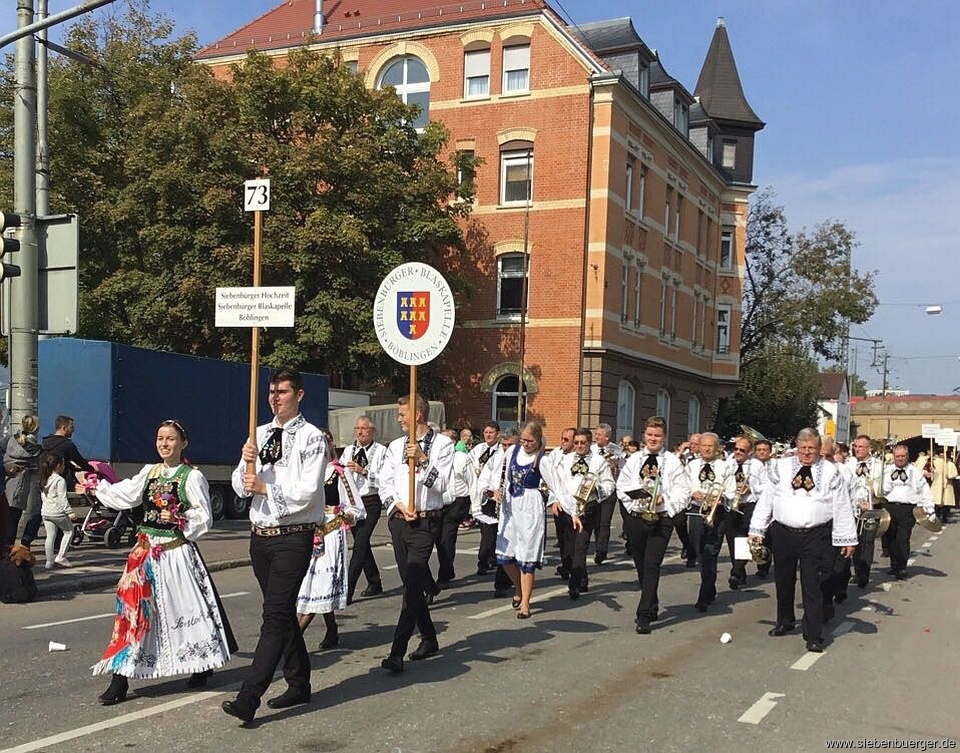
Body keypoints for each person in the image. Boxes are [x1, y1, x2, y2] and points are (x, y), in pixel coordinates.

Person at [92, 419, 233, 705]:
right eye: (160, 438)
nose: (164, 443)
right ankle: (119, 678)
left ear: (183, 443)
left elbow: (204, 517)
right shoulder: (149, 472)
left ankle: (201, 663)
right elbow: (126, 494)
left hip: (176, 554)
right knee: (133, 614)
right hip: (144, 555)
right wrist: (98, 487)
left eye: (170, 439)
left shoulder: (191, 477)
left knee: (186, 612)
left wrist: (181, 520)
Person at [223, 368, 328, 723]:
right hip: (261, 536)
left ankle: (249, 695)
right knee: (281, 614)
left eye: (282, 391)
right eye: (271, 391)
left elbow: (308, 490)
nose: (275, 397)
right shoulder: (261, 433)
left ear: (299, 395)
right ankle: (299, 682)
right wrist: (245, 459)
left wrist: (266, 489)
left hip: (293, 535)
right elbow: (240, 485)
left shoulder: (311, 438)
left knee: (275, 616)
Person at [749, 428, 857, 653]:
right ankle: (785, 620)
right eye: (803, 448)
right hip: (783, 532)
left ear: (819, 449)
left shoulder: (831, 471)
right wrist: (757, 528)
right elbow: (768, 499)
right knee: (784, 579)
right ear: (797, 447)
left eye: (812, 448)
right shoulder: (780, 467)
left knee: (811, 584)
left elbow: (842, 505)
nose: (807, 453)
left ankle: (813, 634)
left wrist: (847, 538)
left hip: (815, 535)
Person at [378, 394, 454, 675]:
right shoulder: (395, 446)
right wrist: (398, 505)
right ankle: (430, 637)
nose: (399, 419)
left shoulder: (443, 445)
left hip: (426, 522)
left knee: (410, 587)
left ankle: (396, 652)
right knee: (412, 583)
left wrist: (422, 461)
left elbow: (444, 485)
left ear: (418, 415)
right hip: (400, 520)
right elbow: (384, 483)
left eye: (402, 414)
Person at [616, 416, 690, 634]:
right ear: (644, 435)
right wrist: (633, 505)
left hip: (661, 518)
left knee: (652, 565)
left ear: (664, 437)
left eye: (657, 435)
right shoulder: (635, 459)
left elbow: (683, 491)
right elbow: (622, 486)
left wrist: (663, 499)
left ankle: (644, 615)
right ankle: (652, 602)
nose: (653, 439)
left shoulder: (673, 461)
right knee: (640, 565)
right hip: (637, 517)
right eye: (649, 435)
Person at [296, 430, 365, 650]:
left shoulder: (339, 472)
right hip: (310, 532)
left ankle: (294, 638)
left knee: (320, 585)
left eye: (323, 442)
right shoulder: (306, 473)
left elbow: (356, 507)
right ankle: (332, 629)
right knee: (311, 585)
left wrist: (342, 516)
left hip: (331, 534)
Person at [485, 421, 552, 618]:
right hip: (510, 505)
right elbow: (500, 474)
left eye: (530, 440)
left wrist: (571, 509)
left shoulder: (542, 459)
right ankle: (518, 588)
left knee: (526, 556)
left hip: (530, 506)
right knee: (505, 557)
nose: (526, 444)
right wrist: (496, 489)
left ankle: (525, 603)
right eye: (523, 439)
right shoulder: (512, 451)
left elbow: (556, 484)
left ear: (538, 439)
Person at [556, 428, 613, 599]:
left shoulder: (598, 462)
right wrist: (555, 500)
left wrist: (598, 489)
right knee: (570, 549)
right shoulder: (565, 460)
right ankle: (582, 580)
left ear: (589, 443)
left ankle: (573, 585)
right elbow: (557, 482)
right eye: (577, 443)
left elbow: (610, 484)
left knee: (580, 547)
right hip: (567, 509)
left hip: (588, 509)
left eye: (583, 442)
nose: (579, 446)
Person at [685, 432, 737, 611]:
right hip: (696, 510)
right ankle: (710, 586)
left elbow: (731, 491)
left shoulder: (725, 467)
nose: (707, 449)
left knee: (711, 552)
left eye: (711, 446)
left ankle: (703, 596)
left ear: (717, 449)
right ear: (698, 447)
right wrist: (692, 493)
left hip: (717, 513)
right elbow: (684, 486)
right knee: (700, 552)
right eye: (704, 445)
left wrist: (721, 497)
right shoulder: (691, 465)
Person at [341, 415, 387, 603]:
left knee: (359, 544)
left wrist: (364, 471)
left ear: (372, 431)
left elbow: (385, 478)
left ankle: (348, 590)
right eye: (357, 428)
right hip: (353, 502)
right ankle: (374, 582)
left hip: (371, 501)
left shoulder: (381, 451)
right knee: (363, 544)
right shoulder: (349, 450)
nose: (360, 432)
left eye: (364, 429)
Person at [883, 444, 935, 580]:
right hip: (890, 507)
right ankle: (894, 565)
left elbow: (924, 490)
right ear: (894, 457)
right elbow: (879, 488)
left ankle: (902, 567)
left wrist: (929, 508)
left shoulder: (915, 472)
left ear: (907, 456)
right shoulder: (887, 470)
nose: (900, 459)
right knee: (891, 539)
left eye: (903, 456)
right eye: (897, 456)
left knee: (903, 539)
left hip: (907, 509)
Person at [845, 434, 884, 588]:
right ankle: (857, 569)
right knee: (855, 540)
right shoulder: (850, 463)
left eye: (861, 446)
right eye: (856, 446)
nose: (857, 449)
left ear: (870, 448)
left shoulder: (878, 465)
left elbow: (882, 487)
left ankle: (864, 574)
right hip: (852, 508)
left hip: (870, 508)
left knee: (867, 541)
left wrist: (872, 496)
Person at [437, 433, 474, 588]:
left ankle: (444, 575)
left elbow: (472, 481)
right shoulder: (436, 458)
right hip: (440, 502)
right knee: (438, 539)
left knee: (447, 537)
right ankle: (448, 568)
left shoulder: (462, 458)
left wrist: (474, 508)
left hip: (458, 501)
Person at [4, 415, 42, 548]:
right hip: (20, 487)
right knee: (13, 520)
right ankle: (8, 549)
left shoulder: (9, 440)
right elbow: (37, 467)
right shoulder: (36, 449)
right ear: (36, 429)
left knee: (6, 520)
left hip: (5, 483)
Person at [591, 423, 622, 564]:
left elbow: (623, 470)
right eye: (596, 434)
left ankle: (601, 551)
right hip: (594, 490)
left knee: (604, 522)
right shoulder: (591, 450)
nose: (596, 436)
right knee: (596, 521)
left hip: (609, 489)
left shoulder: (617, 451)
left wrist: (614, 467)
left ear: (607, 437)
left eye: (599, 434)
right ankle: (598, 546)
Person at [548, 427, 576, 580]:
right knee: (562, 536)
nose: (562, 442)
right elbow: (550, 478)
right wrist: (554, 499)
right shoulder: (555, 453)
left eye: (566, 439)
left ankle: (573, 566)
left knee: (573, 537)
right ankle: (566, 564)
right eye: (562, 438)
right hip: (558, 501)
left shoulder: (577, 457)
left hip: (572, 502)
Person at [39, 453, 76, 569]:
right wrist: (70, 512)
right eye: (63, 464)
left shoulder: (45, 478)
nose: (64, 466)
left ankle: (49, 562)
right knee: (69, 531)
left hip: (45, 511)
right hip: (58, 512)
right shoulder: (60, 480)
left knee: (50, 536)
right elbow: (62, 498)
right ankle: (61, 556)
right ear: (58, 465)